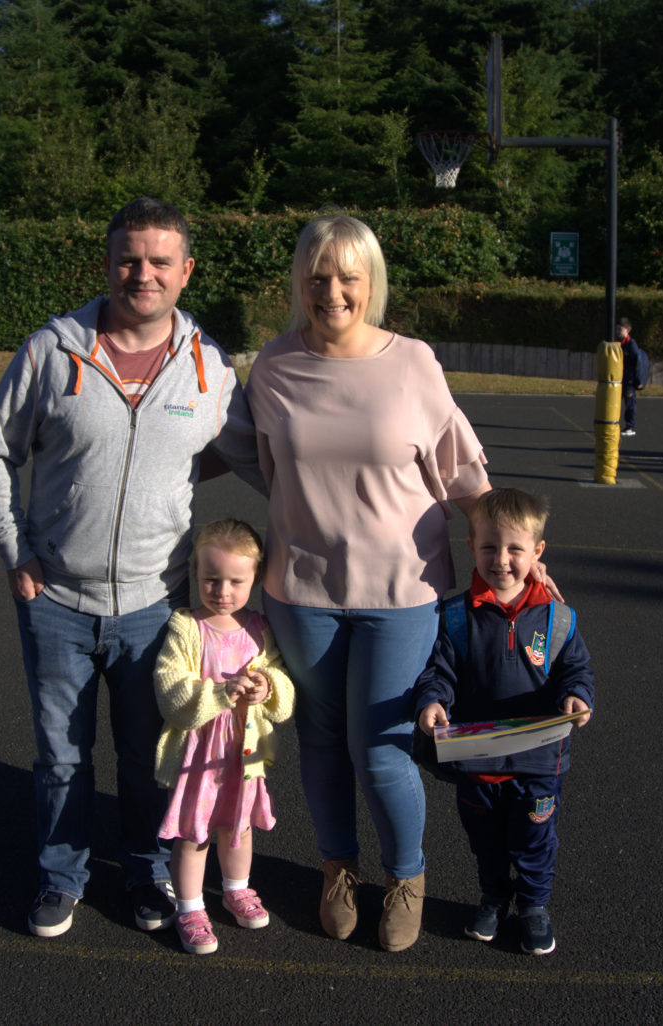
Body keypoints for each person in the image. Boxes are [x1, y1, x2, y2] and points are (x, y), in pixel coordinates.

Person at [0, 198, 262, 940]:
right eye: (129, 259)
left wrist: (169, 480)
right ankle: (61, 877)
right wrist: (15, 550)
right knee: (62, 757)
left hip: (156, 603)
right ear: (106, 265)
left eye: (161, 261)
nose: (144, 274)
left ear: (186, 270)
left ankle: (145, 870)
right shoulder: (52, 351)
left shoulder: (207, 365)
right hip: (56, 597)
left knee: (147, 755)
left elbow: (246, 449)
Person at [244, 214, 494, 953]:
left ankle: (406, 875)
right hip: (301, 590)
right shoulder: (273, 366)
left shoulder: (413, 363)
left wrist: (513, 548)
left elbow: (461, 469)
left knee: (381, 747)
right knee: (320, 740)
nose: (332, 291)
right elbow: (254, 460)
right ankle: (337, 869)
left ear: (371, 283)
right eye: (318, 276)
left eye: (348, 275)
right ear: (299, 283)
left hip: (402, 592)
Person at [414, 488, 595, 956]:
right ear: (470, 546)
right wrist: (432, 700)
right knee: (487, 843)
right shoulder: (454, 616)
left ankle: (534, 907)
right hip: (477, 763)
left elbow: (576, 669)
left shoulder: (557, 618)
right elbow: (439, 672)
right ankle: (493, 897)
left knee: (534, 842)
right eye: (489, 547)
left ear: (537, 553)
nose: (501, 560)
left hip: (538, 763)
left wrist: (578, 695)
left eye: (515, 549)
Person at [153, 519, 295, 955]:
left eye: (236, 581)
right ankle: (191, 908)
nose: (222, 591)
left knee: (239, 827)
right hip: (199, 754)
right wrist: (219, 691)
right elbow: (170, 688)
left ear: (255, 578)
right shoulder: (186, 627)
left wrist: (266, 687)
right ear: (196, 575)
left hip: (243, 752)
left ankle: (236, 888)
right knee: (195, 832)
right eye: (211, 579)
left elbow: (282, 686)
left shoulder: (258, 627)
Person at [618, 317, 648, 437]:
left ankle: (630, 426)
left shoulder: (631, 344)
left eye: (620, 329)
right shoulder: (618, 343)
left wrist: (638, 379)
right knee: (614, 401)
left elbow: (638, 362)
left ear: (627, 330)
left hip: (629, 380)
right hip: (621, 378)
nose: (618, 331)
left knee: (630, 403)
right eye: (616, 329)